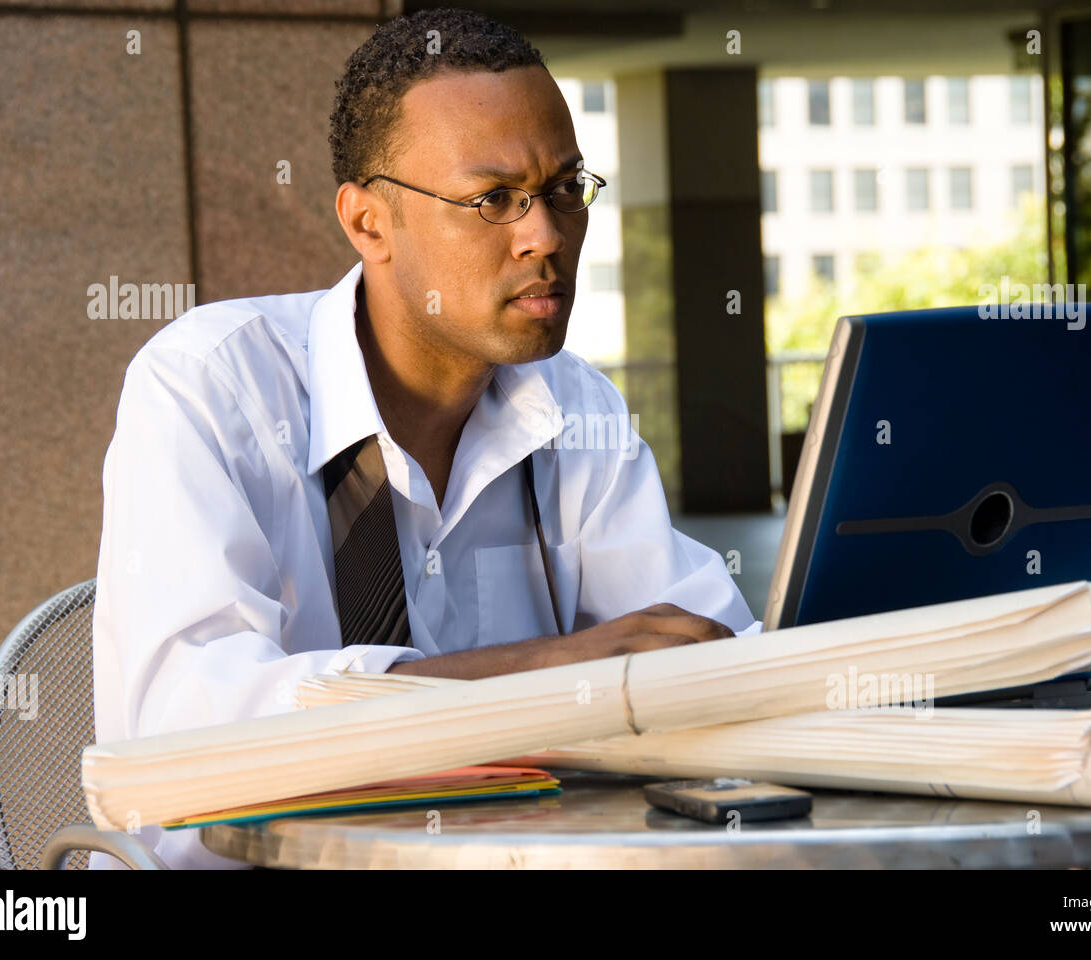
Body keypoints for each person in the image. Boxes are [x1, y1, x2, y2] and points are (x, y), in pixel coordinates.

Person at [90, 7, 758, 870]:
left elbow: (702, 651)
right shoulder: (211, 385)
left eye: (564, 189)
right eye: (493, 200)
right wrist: (552, 673)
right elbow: (187, 730)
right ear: (369, 224)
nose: (547, 237)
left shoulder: (573, 402)